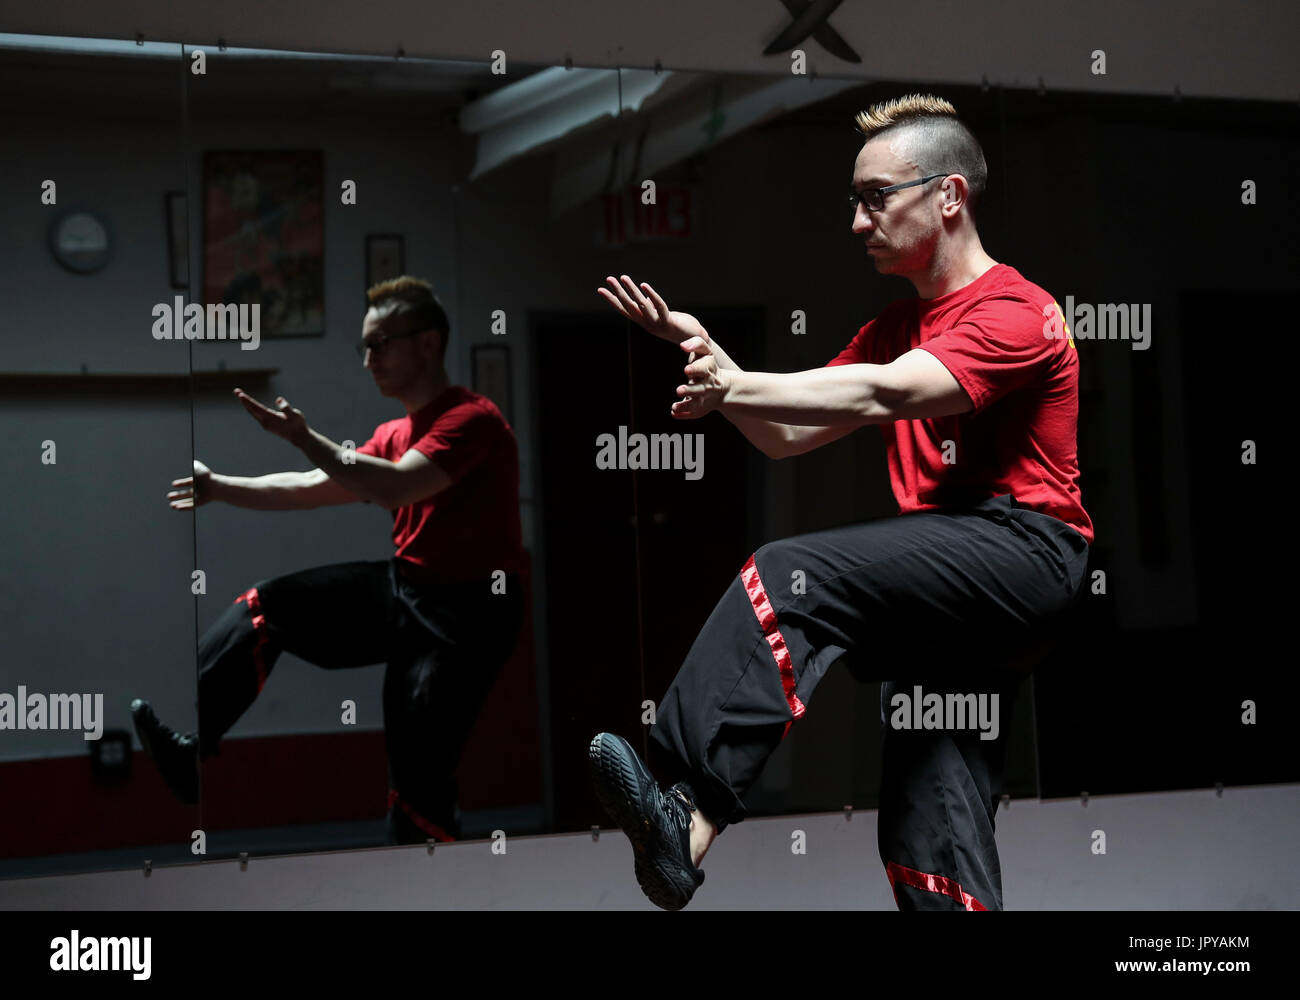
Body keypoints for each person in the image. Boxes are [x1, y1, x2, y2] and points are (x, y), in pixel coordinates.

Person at [589, 93, 1092, 910]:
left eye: (875, 198)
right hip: (948, 591)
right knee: (930, 801)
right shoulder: (896, 322)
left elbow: (888, 394)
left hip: (1023, 556)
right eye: (853, 202)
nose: (858, 222)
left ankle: (681, 806)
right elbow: (786, 433)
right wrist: (714, 365)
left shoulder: (1017, 312)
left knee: (792, 576)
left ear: (948, 195)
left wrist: (740, 382)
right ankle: (692, 838)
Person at [131, 276, 525, 844]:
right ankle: (194, 751)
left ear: (429, 343)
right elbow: (310, 486)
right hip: (407, 588)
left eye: (380, 343)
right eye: (364, 347)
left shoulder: (472, 419)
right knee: (265, 609)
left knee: (419, 773)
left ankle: (435, 884)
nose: (369, 360)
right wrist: (220, 486)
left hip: (470, 616)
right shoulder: (393, 432)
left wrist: (305, 437)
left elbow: (394, 487)